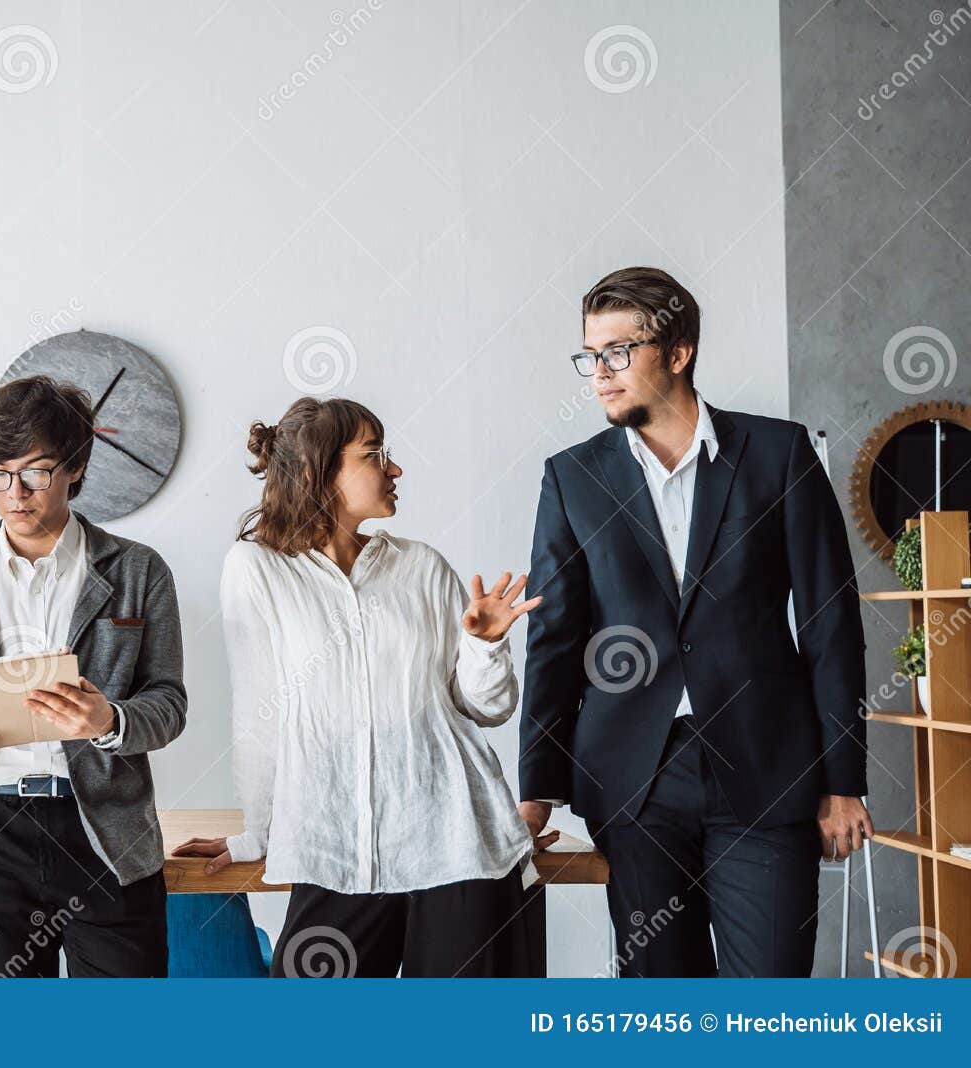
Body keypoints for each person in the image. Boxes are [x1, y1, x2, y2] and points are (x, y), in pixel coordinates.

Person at [518, 266, 871, 977]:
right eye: (591, 355)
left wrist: (843, 780)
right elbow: (553, 641)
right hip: (633, 782)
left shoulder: (779, 454)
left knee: (767, 1007)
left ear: (676, 354)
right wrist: (535, 794)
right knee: (664, 1014)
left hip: (768, 771)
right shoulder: (572, 478)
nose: (600, 372)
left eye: (620, 351)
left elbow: (830, 622)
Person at [174, 397, 548, 978]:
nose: (394, 469)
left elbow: (487, 707)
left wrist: (484, 644)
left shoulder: (422, 567)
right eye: (374, 455)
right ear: (314, 474)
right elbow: (259, 713)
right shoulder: (257, 568)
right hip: (336, 851)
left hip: (456, 846)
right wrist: (258, 834)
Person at [0, 374, 187, 978]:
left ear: (75, 468)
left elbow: (169, 703)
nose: (15, 493)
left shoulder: (138, 571)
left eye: (35, 472)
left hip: (105, 833)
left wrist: (109, 720)